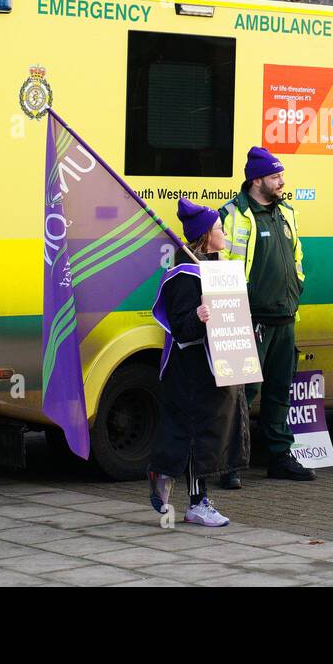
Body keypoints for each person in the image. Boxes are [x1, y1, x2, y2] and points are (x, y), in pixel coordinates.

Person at [218, 145, 314, 484]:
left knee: (279, 390)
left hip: (285, 318)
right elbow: (219, 265)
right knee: (243, 393)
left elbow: (296, 256)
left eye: (281, 175)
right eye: (275, 176)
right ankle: (229, 463)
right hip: (250, 321)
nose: (282, 181)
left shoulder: (286, 212)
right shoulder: (231, 215)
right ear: (257, 179)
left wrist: (297, 287)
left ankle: (279, 456)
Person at [147, 199, 243, 527]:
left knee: (206, 434)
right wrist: (198, 317)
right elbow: (180, 327)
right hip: (189, 371)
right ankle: (196, 500)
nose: (224, 234)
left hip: (213, 368)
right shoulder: (183, 274)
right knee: (192, 435)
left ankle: (193, 497)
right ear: (205, 236)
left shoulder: (215, 268)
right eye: (219, 228)